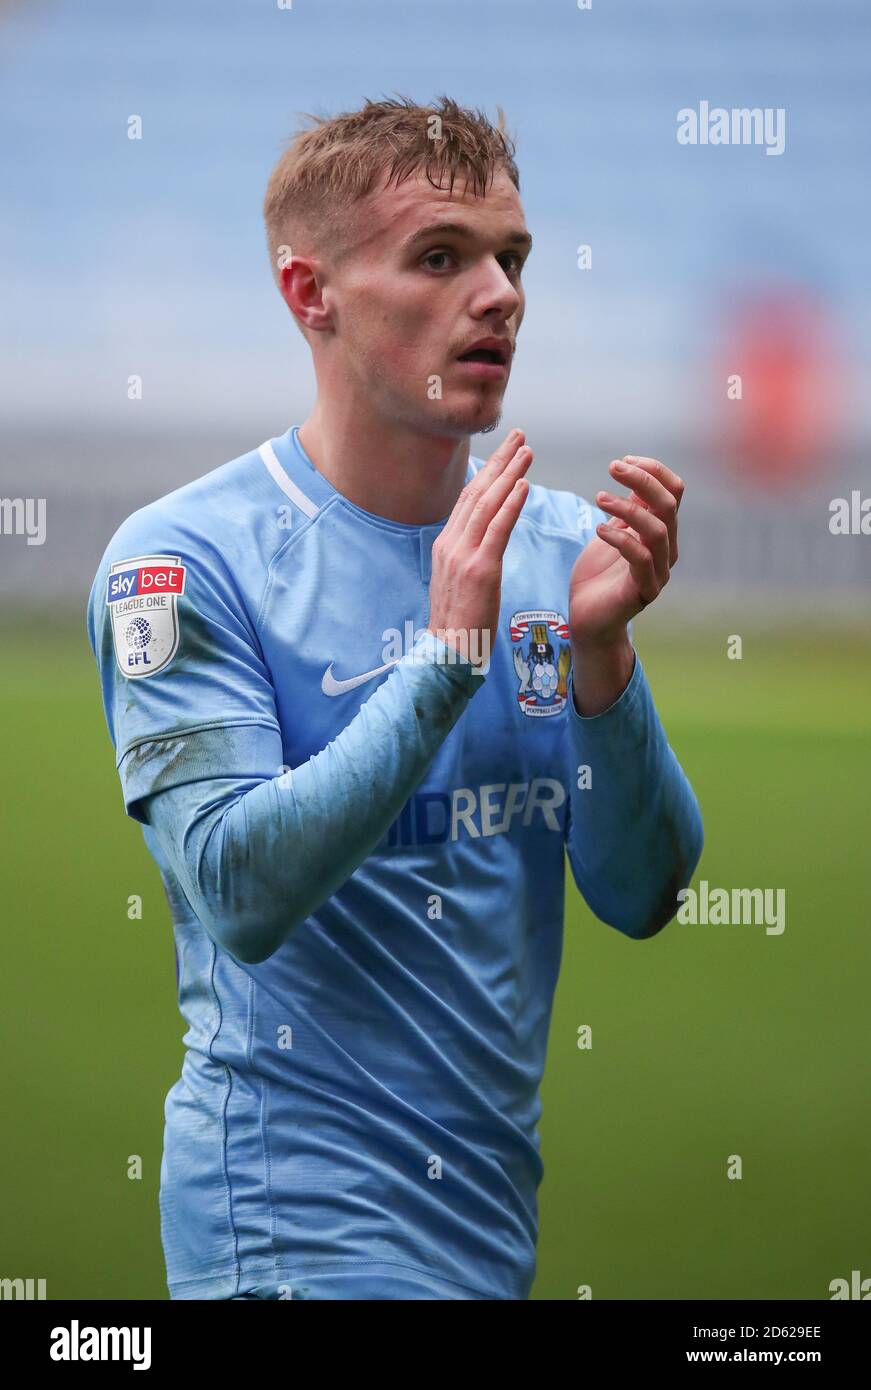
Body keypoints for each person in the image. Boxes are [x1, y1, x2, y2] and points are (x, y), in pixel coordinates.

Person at [87, 95, 703, 1301]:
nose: (500, 295)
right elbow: (239, 892)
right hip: (289, 1233)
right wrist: (443, 658)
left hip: (487, 1229)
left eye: (511, 258)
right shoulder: (184, 560)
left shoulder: (559, 555)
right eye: (440, 257)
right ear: (308, 293)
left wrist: (601, 660)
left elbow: (646, 894)